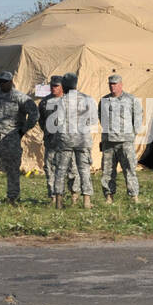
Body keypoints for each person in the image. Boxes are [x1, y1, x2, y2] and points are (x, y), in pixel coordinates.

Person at [0, 70, 38, 206]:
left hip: (11, 138)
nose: (2, 84)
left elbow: (34, 113)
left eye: (5, 82)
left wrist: (23, 130)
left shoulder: (20, 98)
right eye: (0, 82)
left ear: (11, 82)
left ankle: (12, 197)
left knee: (12, 168)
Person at [49, 72, 96, 208]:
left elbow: (58, 121)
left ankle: (58, 201)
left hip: (65, 139)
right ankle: (87, 201)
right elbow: (93, 120)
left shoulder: (61, 101)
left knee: (61, 170)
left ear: (64, 85)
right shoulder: (88, 99)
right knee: (84, 170)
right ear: (76, 84)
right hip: (83, 139)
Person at [98, 73, 143, 203]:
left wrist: (132, 134)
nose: (113, 87)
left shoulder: (131, 99)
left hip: (125, 141)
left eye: (115, 84)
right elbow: (101, 116)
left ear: (121, 85)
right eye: (111, 84)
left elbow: (138, 117)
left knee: (129, 168)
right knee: (107, 170)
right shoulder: (104, 100)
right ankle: (108, 196)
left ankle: (134, 196)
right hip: (109, 142)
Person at [38, 75, 78, 200]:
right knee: (50, 168)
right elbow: (41, 120)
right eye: (51, 86)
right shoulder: (44, 102)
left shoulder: (70, 101)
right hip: (51, 141)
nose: (53, 88)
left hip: (68, 141)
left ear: (62, 87)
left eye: (56, 86)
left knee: (71, 168)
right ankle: (54, 196)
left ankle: (74, 195)